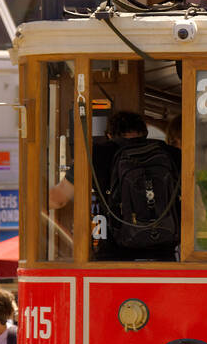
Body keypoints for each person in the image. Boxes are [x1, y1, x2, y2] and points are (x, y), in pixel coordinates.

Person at [48, 110, 181, 262]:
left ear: (110, 135)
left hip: (114, 256)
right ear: (145, 133)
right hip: (163, 254)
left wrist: (29, 201)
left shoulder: (95, 154)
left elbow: (59, 199)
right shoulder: (171, 154)